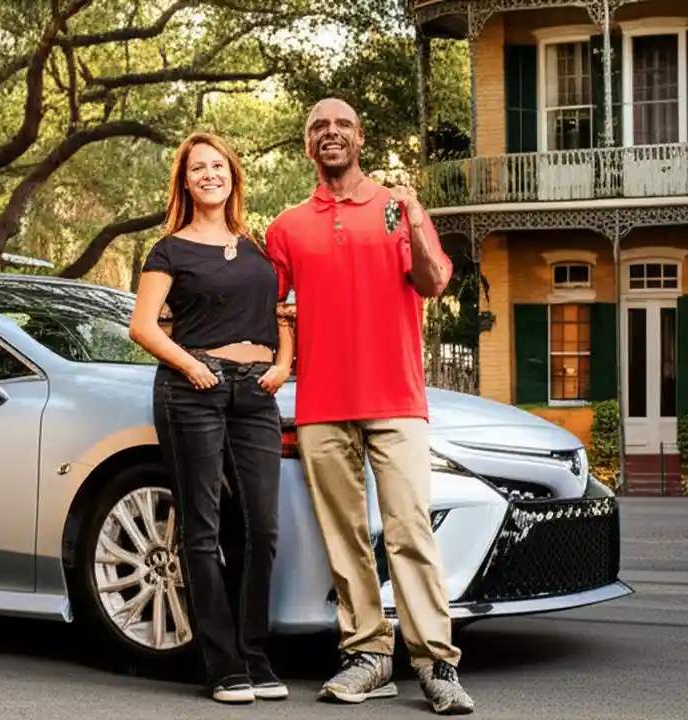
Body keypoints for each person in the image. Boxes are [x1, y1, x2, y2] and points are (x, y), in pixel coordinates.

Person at [264, 98, 476, 716]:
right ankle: (368, 656)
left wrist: (411, 216)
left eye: (341, 126)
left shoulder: (395, 207)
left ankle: (437, 664)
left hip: (397, 398)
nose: (330, 134)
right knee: (345, 536)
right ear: (308, 145)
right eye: (317, 128)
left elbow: (435, 281)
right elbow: (267, 309)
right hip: (322, 400)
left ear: (360, 137)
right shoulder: (287, 228)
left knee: (410, 530)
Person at [129, 132, 295, 705]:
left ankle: (255, 654)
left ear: (232, 176)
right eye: (197, 168)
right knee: (200, 531)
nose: (208, 175)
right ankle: (222, 665)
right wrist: (191, 367)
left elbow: (282, 316)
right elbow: (144, 326)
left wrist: (283, 366)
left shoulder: (255, 248)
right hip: (192, 389)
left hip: (256, 393)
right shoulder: (169, 250)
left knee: (261, 528)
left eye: (217, 166)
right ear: (186, 181)